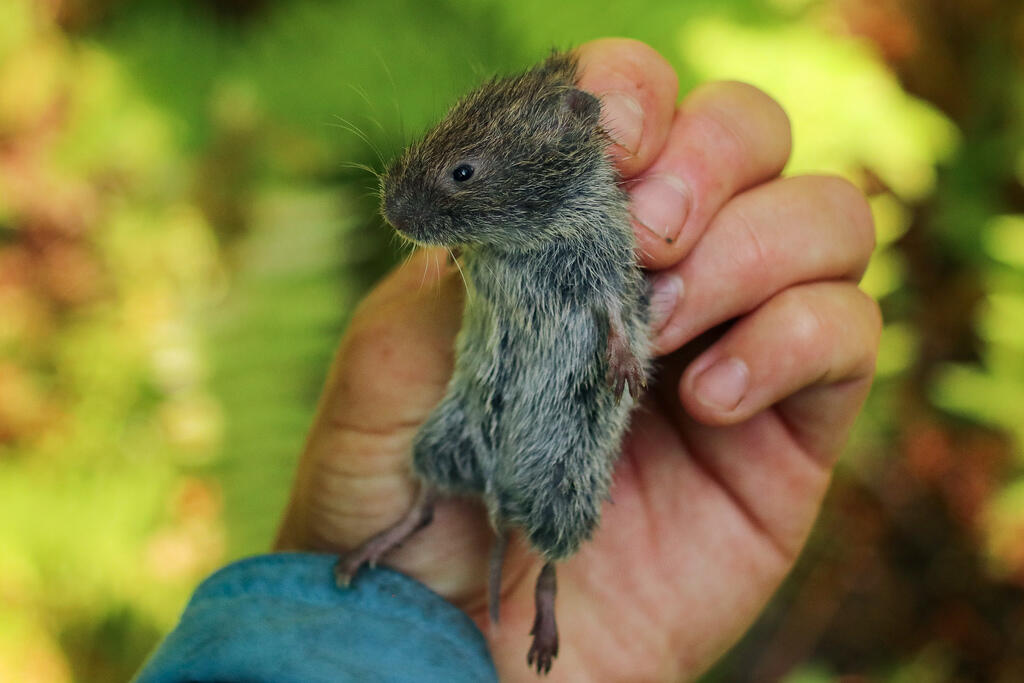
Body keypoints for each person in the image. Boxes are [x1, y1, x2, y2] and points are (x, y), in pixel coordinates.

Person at [135, 38, 880, 682]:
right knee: (441, 452)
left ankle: (548, 586)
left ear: (550, 158)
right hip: (480, 399)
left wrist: (624, 340)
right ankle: (408, 530)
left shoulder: (593, 215)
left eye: (461, 176)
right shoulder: (487, 244)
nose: (416, 205)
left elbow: (611, 290)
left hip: (569, 423)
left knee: (563, 500)